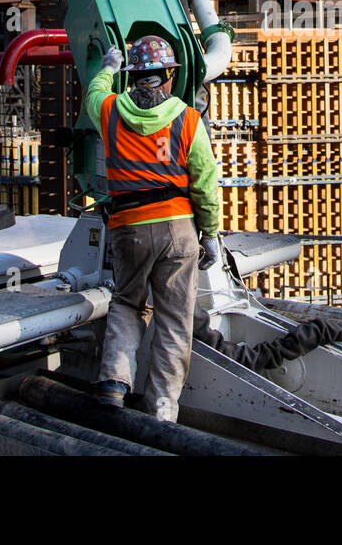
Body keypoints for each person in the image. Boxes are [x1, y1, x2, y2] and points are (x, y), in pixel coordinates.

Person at [83, 35, 221, 422]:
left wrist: (108, 66)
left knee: (128, 304)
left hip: (128, 230)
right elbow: (205, 184)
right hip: (179, 232)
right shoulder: (189, 121)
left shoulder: (110, 111)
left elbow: (94, 93)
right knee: (175, 322)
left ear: (134, 78)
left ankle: (113, 383)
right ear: (170, 78)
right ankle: (162, 411)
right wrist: (209, 234)